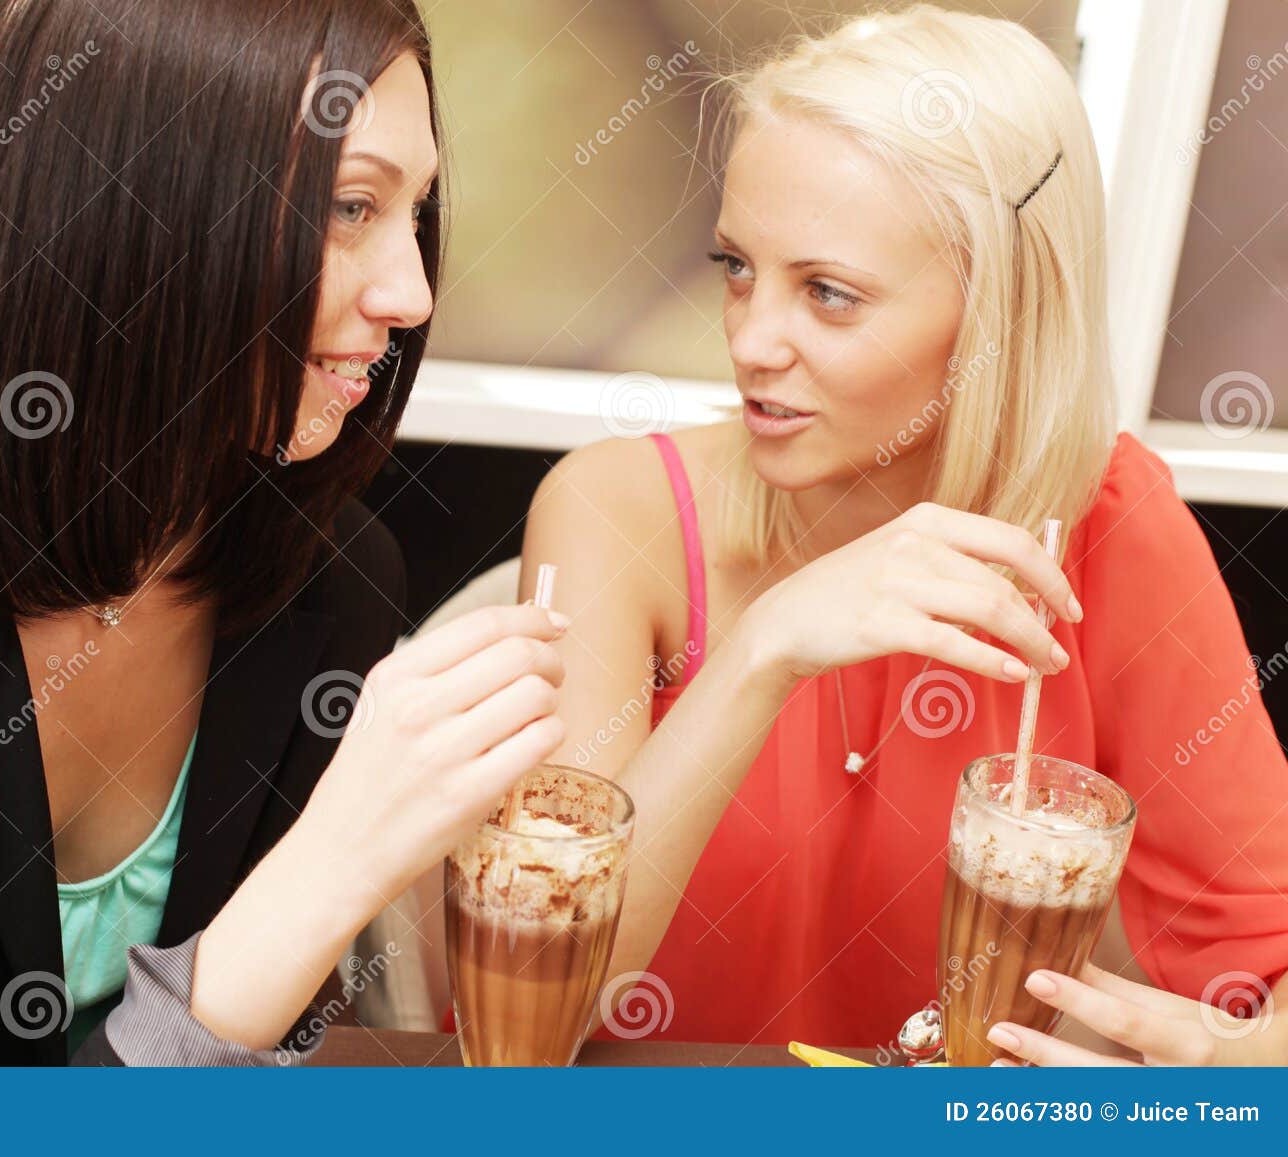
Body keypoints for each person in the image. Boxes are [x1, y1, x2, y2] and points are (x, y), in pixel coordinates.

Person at [0, 0, 567, 1065]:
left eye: (413, 209)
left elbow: (262, 1057)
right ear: (131, 214)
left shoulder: (330, 581)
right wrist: (335, 861)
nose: (412, 293)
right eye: (347, 205)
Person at [521, 5, 1288, 1064]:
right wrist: (761, 648)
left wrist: (1205, 1059)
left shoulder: (1111, 524)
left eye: (828, 295)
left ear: (999, 316)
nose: (750, 338)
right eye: (736, 267)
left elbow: (1266, 972)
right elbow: (537, 1007)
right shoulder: (611, 507)